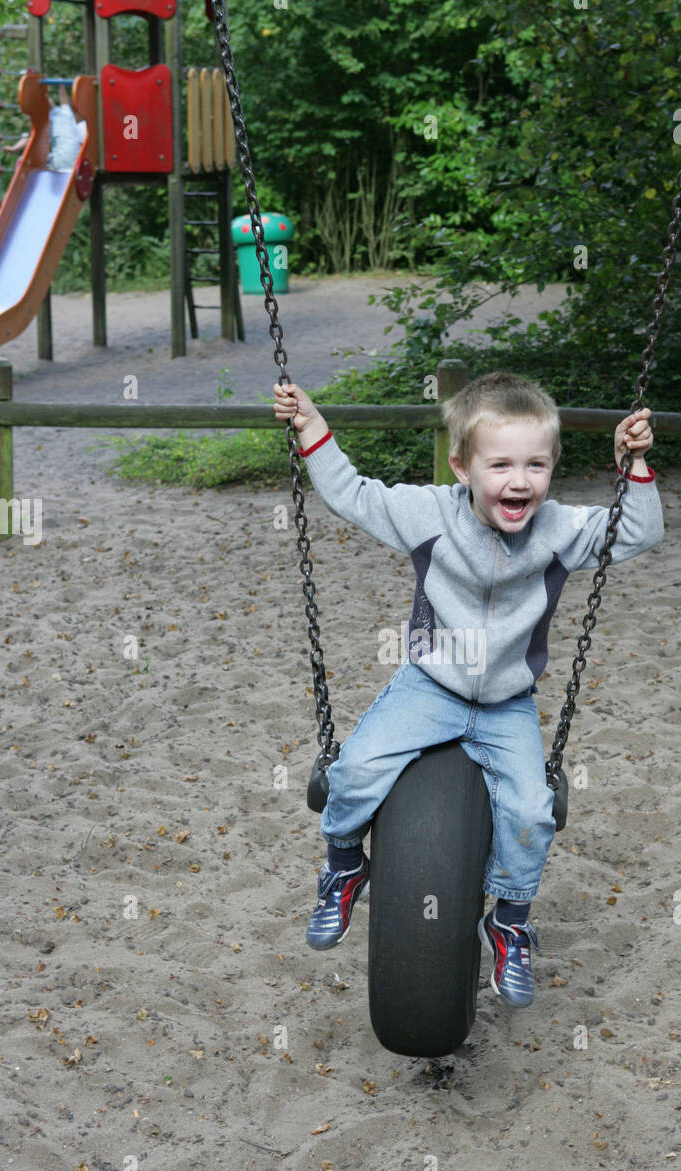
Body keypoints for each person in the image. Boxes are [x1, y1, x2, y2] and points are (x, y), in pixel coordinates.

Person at [272, 372, 661, 1007]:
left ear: (552, 468)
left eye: (536, 464)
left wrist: (634, 465)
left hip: (508, 703)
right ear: (462, 466)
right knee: (353, 770)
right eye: (501, 464)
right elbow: (352, 493)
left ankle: (508, 919)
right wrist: (311, 424)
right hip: (430, 687)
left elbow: (640, 532)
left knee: (533, 810)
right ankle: (344, 866)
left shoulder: (560, 530)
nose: (520, 481)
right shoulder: (429, 515)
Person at [2, 84, 85, 172]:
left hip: (61, 164)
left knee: (26, 159)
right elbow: (64, 102)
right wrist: (61, 86)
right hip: (76, 161)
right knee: (54, 152)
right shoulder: (65, 114)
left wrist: (14, 148)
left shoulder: (48, 122)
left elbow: (30, 139)